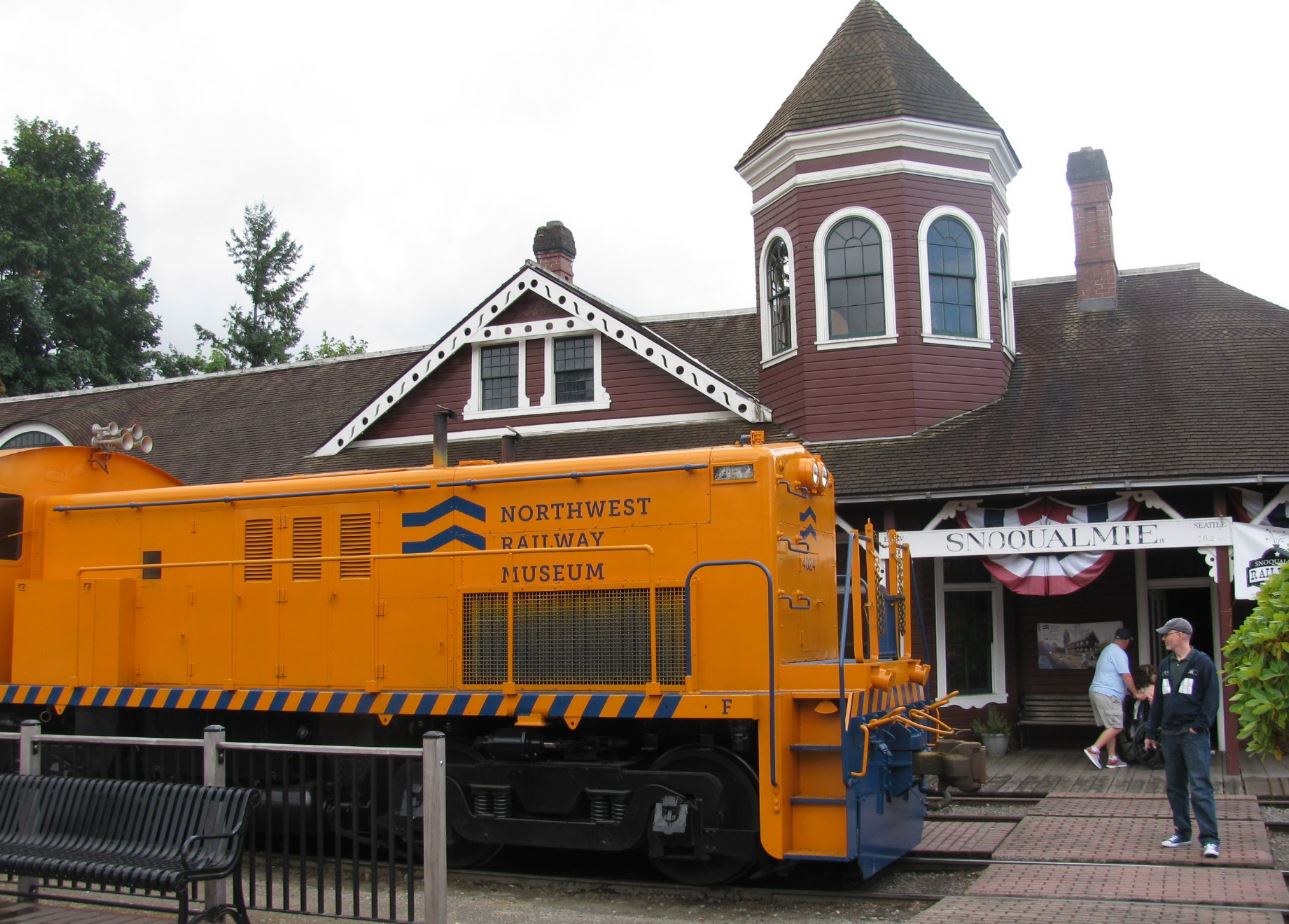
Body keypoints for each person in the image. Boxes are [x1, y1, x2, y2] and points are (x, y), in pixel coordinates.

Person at [1145, 617, 1220, 858]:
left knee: (1200, 786)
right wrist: (1150, 730)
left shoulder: (1203, 663)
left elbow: (1211, 698)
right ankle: (1182, 832)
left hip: (1192, 735)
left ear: (1180, 635)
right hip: (1169, 734)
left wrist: (1199, 726)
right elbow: (1158, 701)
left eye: (1167, 634)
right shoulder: (1166, 664)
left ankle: (1210, 839)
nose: (1164, 638)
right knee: (1175, 786)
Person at [1084, 626, 1142, 769]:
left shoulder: (1107, 650)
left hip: (1097, 691)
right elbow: (1126, 676)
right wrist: (1135, 693)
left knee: (1111, 726)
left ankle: (1112, 758)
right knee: (1116, 725)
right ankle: (1094, 749)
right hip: (1108, 694)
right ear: (1126, 641)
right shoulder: (1119, 653)